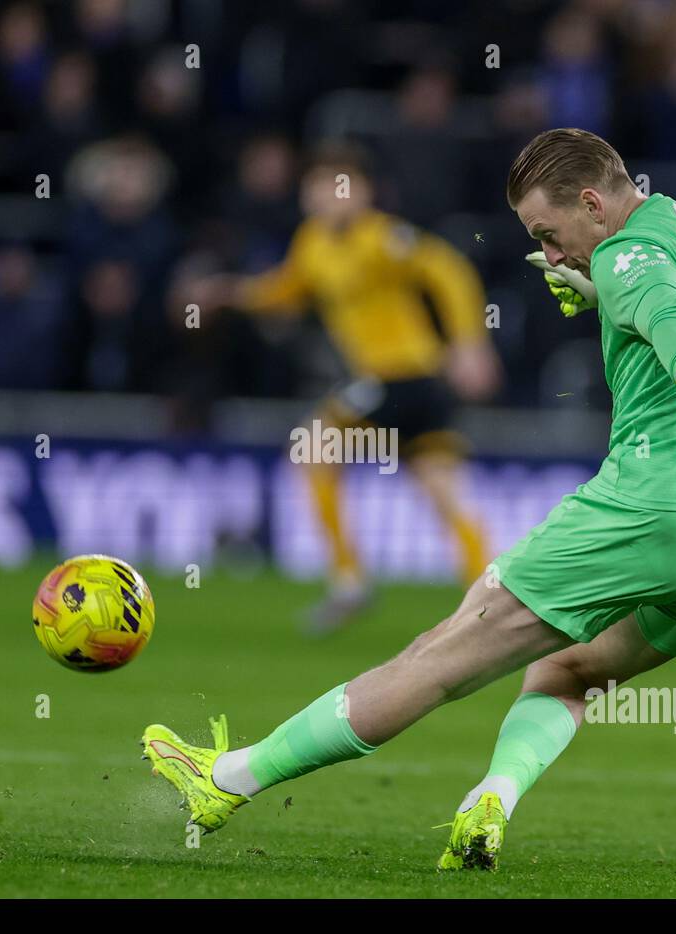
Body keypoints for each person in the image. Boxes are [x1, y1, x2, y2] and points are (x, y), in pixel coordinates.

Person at [142, 128, 676, 871]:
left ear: (593, 202)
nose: (551, 255)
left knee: (439, 655)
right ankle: (491, 797)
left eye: (551, 236)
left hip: (658, 512)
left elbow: (665, 311)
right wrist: (599, 293)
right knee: (569, 670)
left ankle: (226, 779)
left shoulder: (624, 258)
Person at [199, 142, 501, 633]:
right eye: (319, 186)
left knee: (312, 445)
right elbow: (283, 291)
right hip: (394, 388)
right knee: (441, 487)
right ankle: (491, 604)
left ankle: (348, 580)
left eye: (342, 185)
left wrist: (471, 345)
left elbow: (448, 270)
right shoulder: (313, 244)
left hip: (405, 377)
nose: (330, 196)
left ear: (365, 192)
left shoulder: (384, 237)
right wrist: (227, 292)